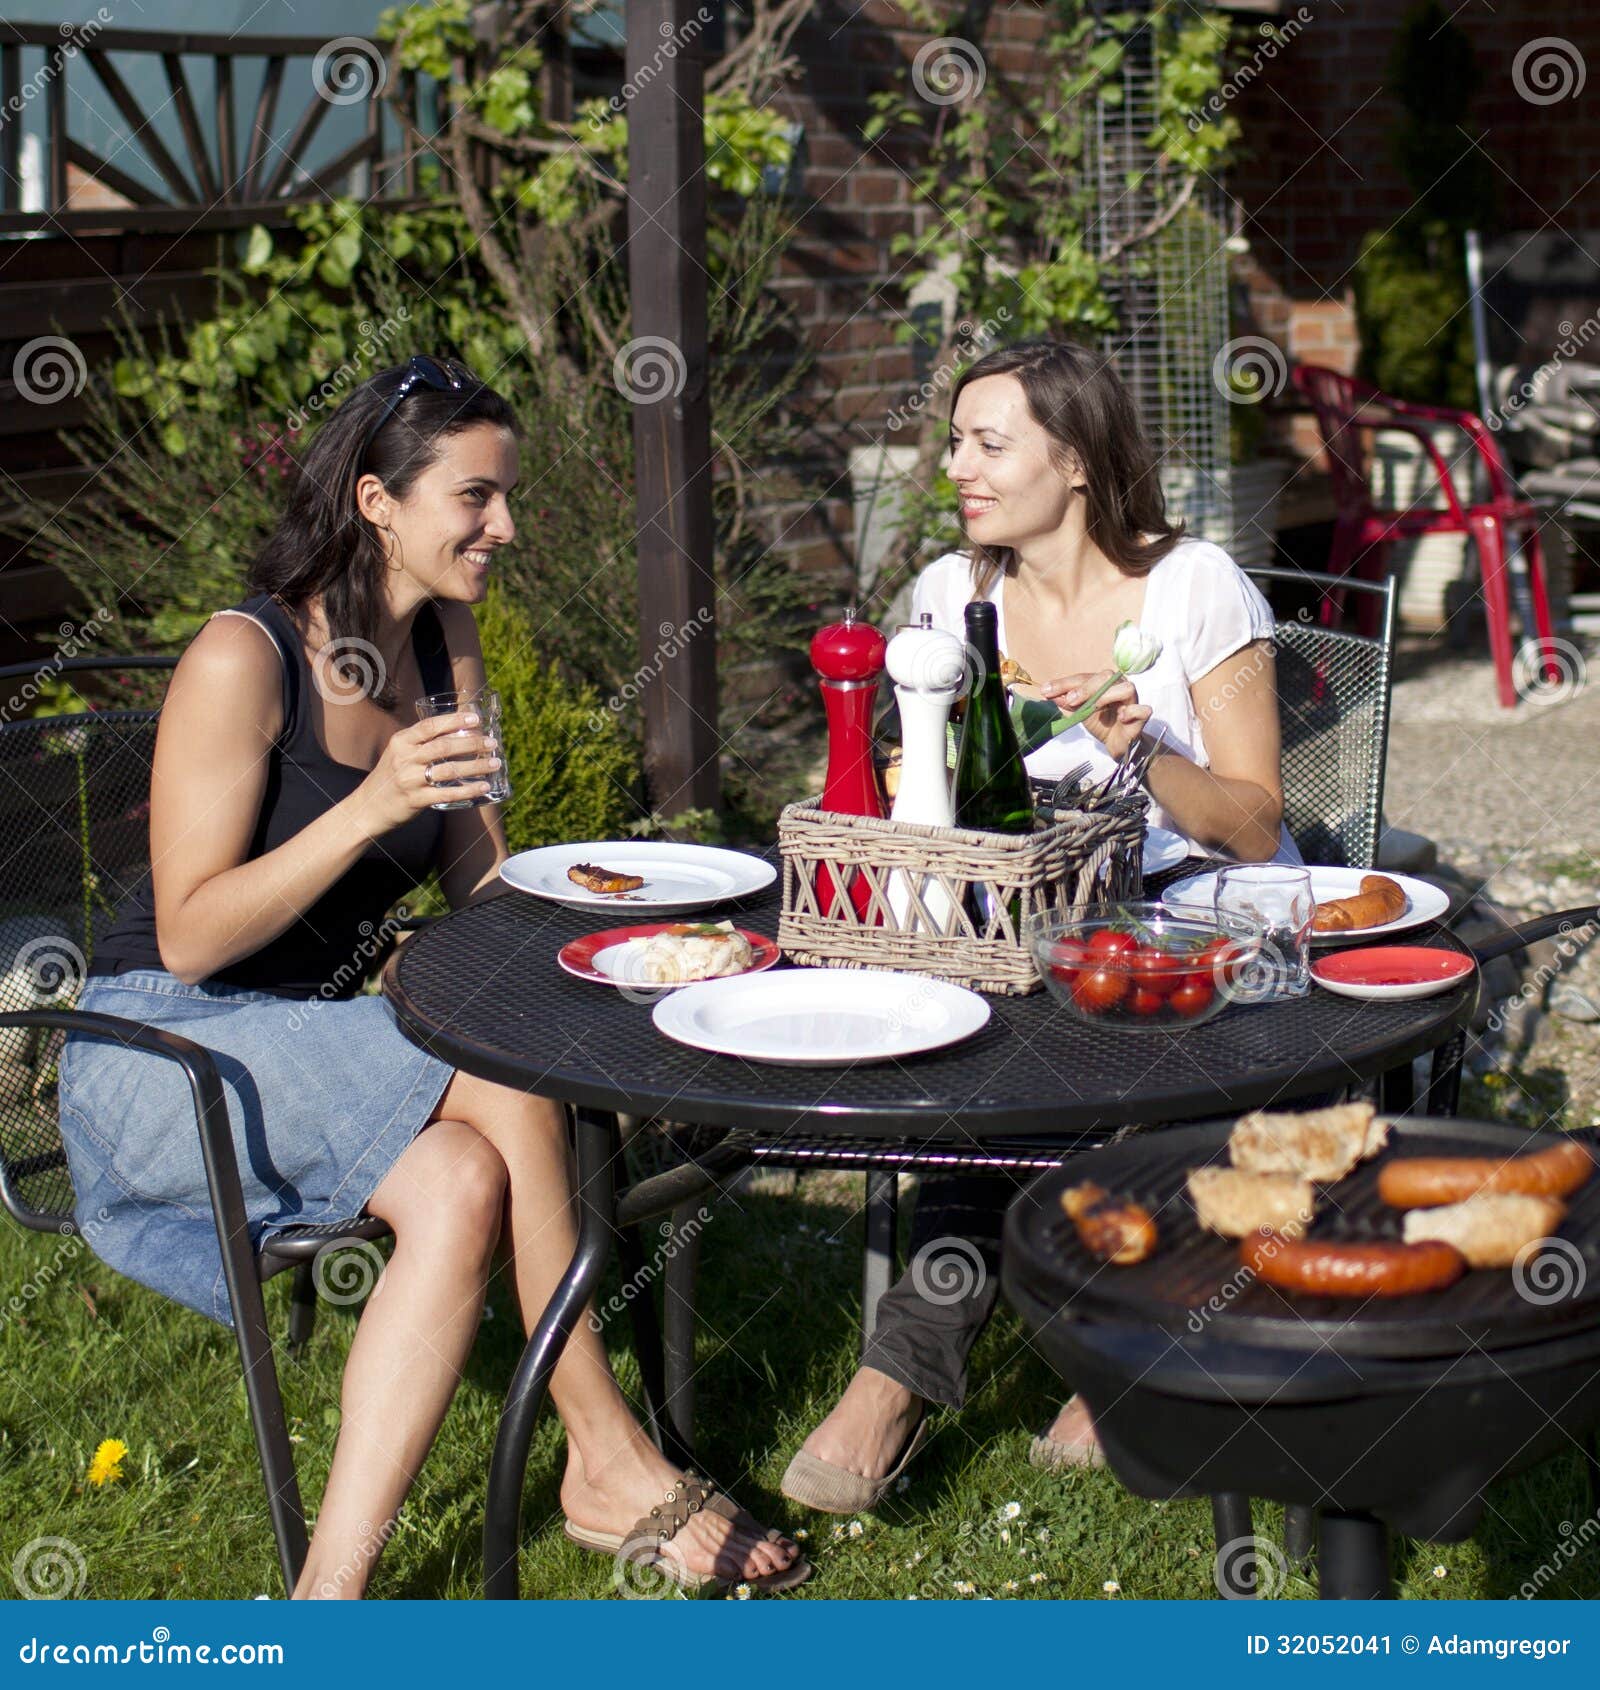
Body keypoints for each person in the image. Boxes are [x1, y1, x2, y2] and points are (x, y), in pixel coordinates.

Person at [57, 356, 806, 1599]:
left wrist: (647, 938)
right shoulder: (246, 658)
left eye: (502, 497)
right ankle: (606, 1453)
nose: (503, 525)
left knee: (461, 1178)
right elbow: (188, 937)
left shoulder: (442, 642)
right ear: (375, 501)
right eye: (476, 497)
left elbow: (486, 889)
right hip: (155, 1055)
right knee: (495, 1079)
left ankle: (329, 1603)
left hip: (294, 1045)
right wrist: (370, 809)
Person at [781, 335, 1296, 1514]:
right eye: (955, 440)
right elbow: (934, 808)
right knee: (975, 1046)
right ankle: (914, 1372)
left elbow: (1257, 824)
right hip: (1015, 920)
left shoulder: (1190, 588)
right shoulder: (949, 600)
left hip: (1192, 917)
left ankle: (1106, 1348)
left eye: (988, 443)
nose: (957, 465)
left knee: (1096, 1030)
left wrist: (1138, 746)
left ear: (1073, 461)